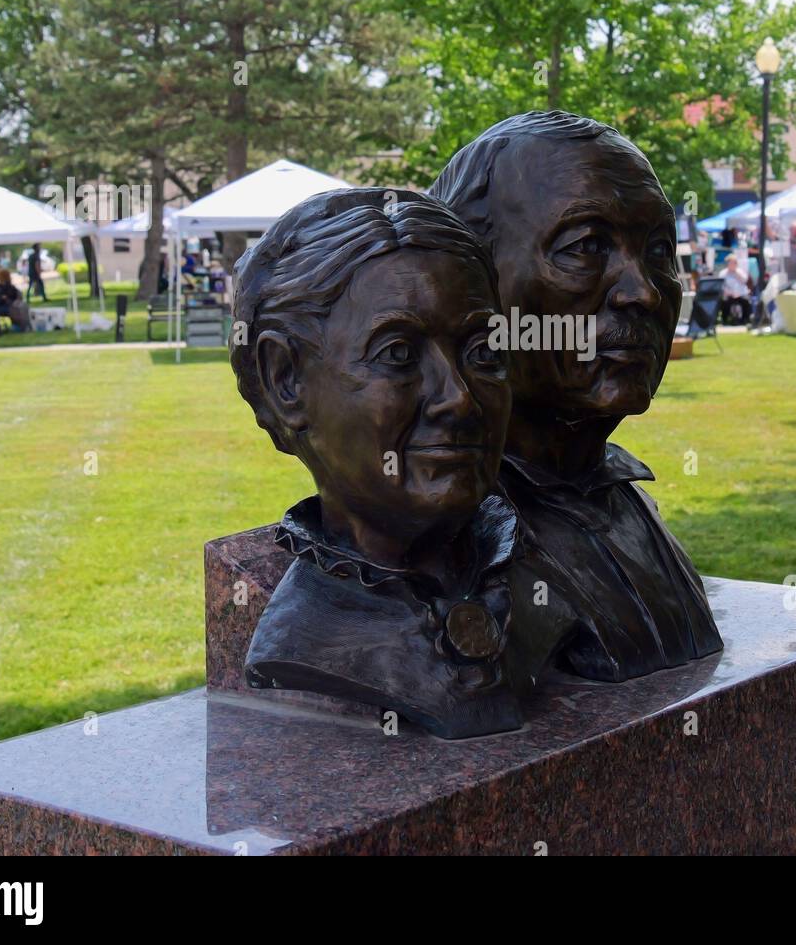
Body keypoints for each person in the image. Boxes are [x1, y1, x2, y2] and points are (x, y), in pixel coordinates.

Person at [234, 188, 577, 739]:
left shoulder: (547, 581)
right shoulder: (305, 639)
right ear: (286, 380)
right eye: (396, 354)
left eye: (481, 353)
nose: (460, 398)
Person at [430, 109, 723, 682]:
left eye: (661, 252)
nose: (642, 291)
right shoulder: (443, 545)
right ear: (471, 284)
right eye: (587, 246)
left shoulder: (628, 506)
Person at [720, 252, 752, 325]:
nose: (732, 265)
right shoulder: (723, 273)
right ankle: (725, 320)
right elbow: (722, 287)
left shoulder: (740, 272)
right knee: (724, 302)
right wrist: (730, 293)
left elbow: (745, 281)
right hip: (729, 295)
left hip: (741, 294)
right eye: (730, 263)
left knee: (746, 301)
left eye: (734, 263)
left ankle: (745, 320)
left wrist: (736, 273)